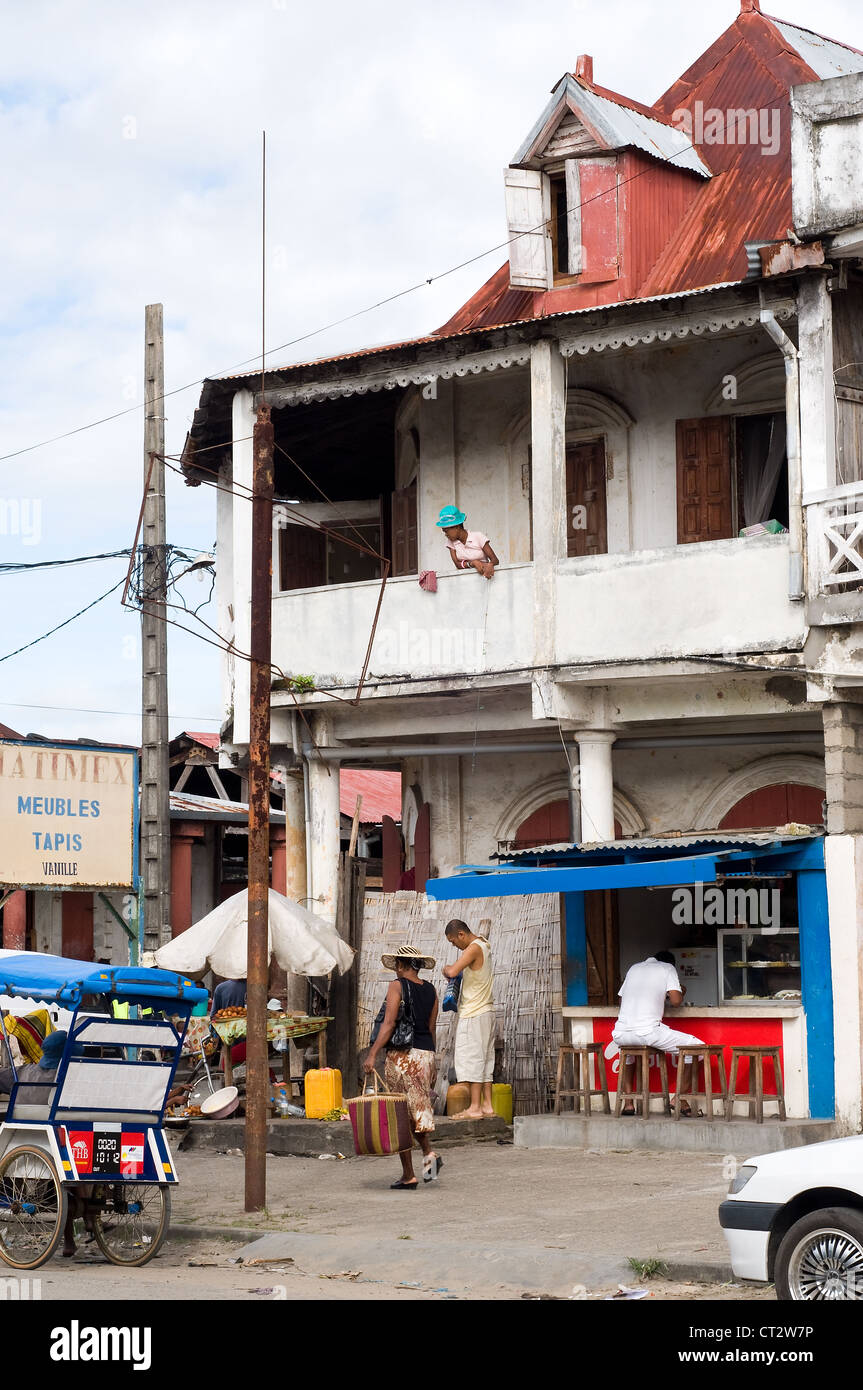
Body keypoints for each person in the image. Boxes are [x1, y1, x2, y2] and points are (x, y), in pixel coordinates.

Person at [364, 945, 441, 1190]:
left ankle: (409, 1174)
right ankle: (430, 1158)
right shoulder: (431, 990)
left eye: (397, 966)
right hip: (425, 1055)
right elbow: (431, 1029)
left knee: (400, 1116)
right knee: (416, 1114)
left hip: (402, 1057)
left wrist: (372, 1053)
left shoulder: (397, 986)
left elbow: (388, 1024)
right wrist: (433, 1062)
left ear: (401, 965)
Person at [611, 951, 704, 1117]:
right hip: (647, 1032)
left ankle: (628, 1104)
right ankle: (678, 1098)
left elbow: (621, 1000)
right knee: (697, 1048)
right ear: (671, 964)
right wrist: (680, 990)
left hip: (620, 1033)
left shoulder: (634, 968)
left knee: (629, 1055)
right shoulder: (668, 968)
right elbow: (676, 1001)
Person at [442, 919, 495, 1120]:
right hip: (487, 1010)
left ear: (461, 934)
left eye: (453, 941)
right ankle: (487, 1105)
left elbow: (453, 971)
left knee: (473, 1058)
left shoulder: (473, 948)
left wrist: (445, 969)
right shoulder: (484, 945)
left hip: (474, 1012)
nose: (454, 945)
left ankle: (474, 1106)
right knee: (485, 1058)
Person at [436, 506, 499, 580]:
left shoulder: (478, 536)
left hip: (485, 577)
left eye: (446, 531)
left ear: (457, 527)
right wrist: (472, 563)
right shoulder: (451, 542)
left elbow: (495, 560)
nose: (446, 534)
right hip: (465, 580)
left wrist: (490, 565)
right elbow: (457, 564)